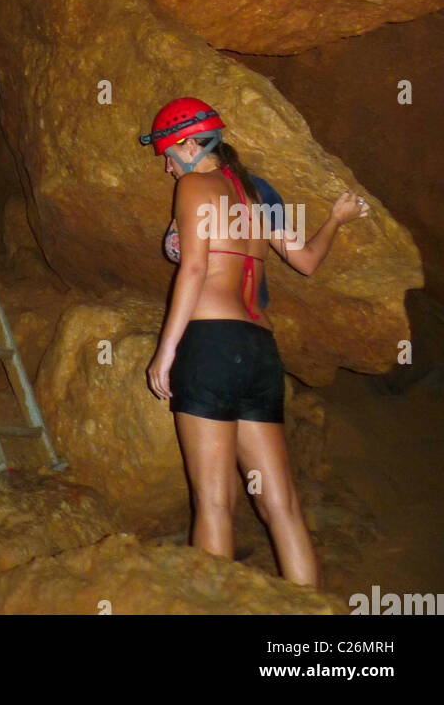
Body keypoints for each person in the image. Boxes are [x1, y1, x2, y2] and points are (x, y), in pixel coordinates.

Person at [140, 96, 369, 586]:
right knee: (281, 504)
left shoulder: (195, 186)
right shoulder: (257, 195)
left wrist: (167, 349)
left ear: (187, 144)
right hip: (261, 353)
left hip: (211, 346)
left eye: (165, 152)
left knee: (215, 502)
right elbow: (305, 261)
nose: (164, 165)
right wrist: (335, 219)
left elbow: (196, 268)